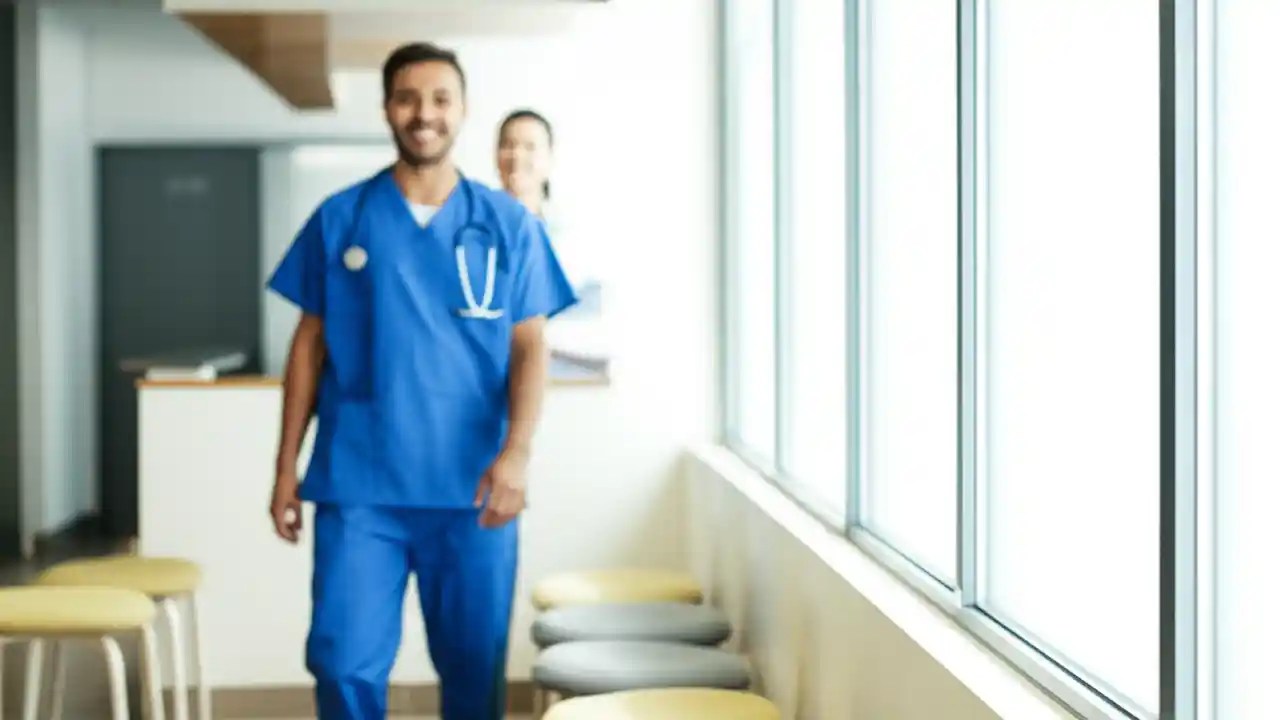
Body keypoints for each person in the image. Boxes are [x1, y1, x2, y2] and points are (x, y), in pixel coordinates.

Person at [265, 42, 577, 720]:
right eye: (408, 98)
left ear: (462, 111)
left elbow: (531, 347)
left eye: (440, 99)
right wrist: (286, 465)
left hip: (474, 489)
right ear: (387, 109)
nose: (424, 113)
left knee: (473, 672)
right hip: (360, 489)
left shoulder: (508, 226)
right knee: (342, 660)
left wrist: (518, 453)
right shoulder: (340, 218)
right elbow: (308, 346)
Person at [495, 110, 609, 381]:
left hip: (568, 386)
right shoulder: (470, 232)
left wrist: (527, 334)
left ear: (549, 159)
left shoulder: (579, 237)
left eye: (529, 147)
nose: (517, 156)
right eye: (508, 145)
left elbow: (597, 326)